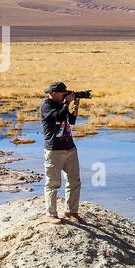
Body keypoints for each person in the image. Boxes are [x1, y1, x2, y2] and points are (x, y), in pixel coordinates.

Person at [39, 81, 82, 223]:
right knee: (52, 183)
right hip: (54, 150)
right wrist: (67, 104)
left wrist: (75, 105)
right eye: (63, 93)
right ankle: (51, 214)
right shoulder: (46, 106)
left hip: (70, 147)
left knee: (74, 181)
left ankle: (71, 211)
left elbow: (71, 120)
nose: (65, 95)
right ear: (54, 93)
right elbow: (58, 117)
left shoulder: (62, 104)